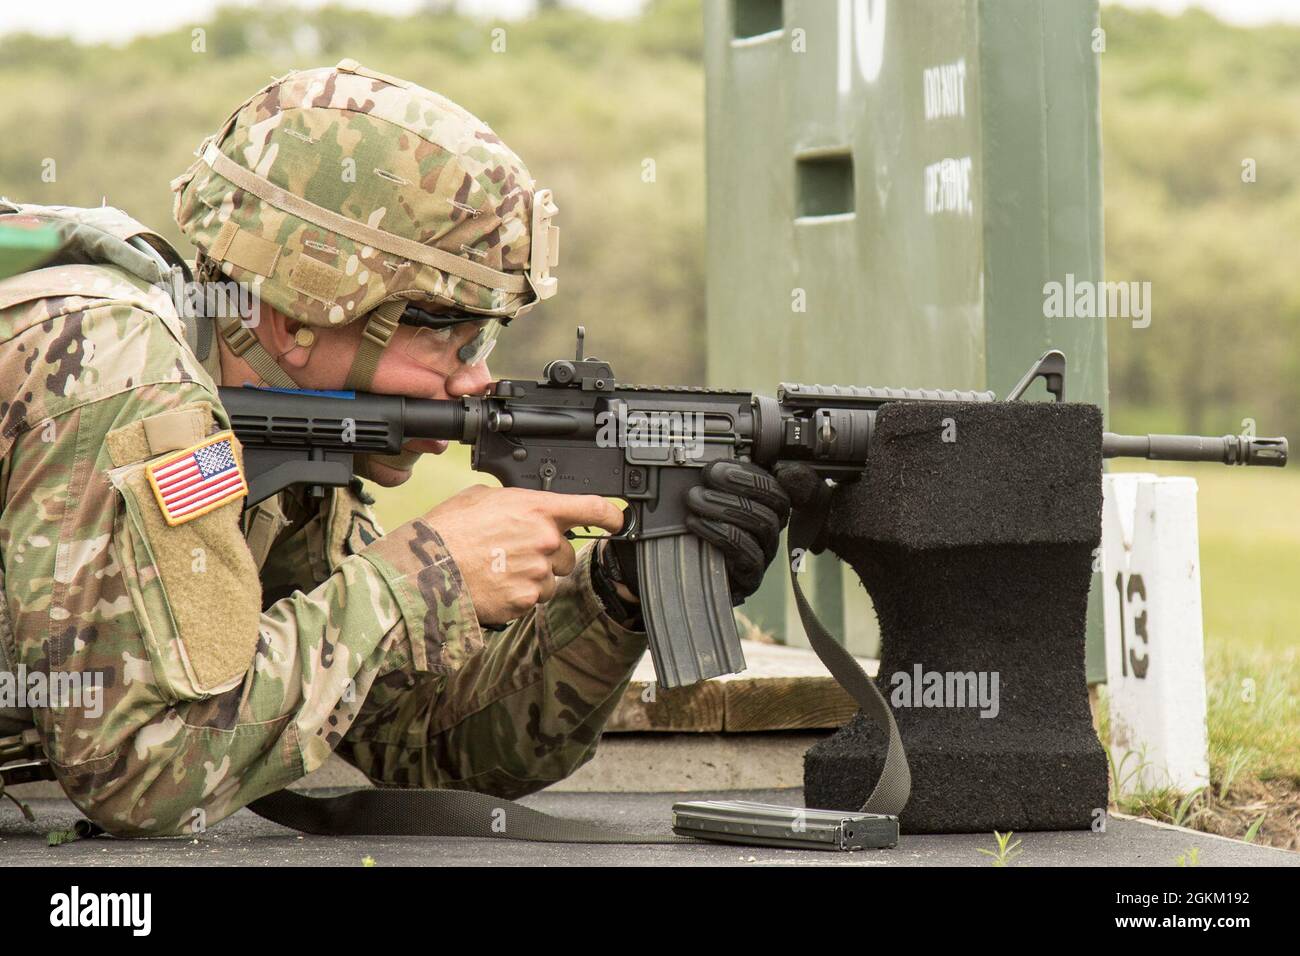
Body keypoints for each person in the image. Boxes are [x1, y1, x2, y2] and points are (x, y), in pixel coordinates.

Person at [0, 60, 790, 836]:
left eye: (490, 337)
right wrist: (421, 575)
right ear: (296, 319)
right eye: (452, 332)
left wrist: (617, 597)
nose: (475, 379)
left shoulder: (284, 442)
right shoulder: (112, 367)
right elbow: (134, 768)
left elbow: (423, 746)